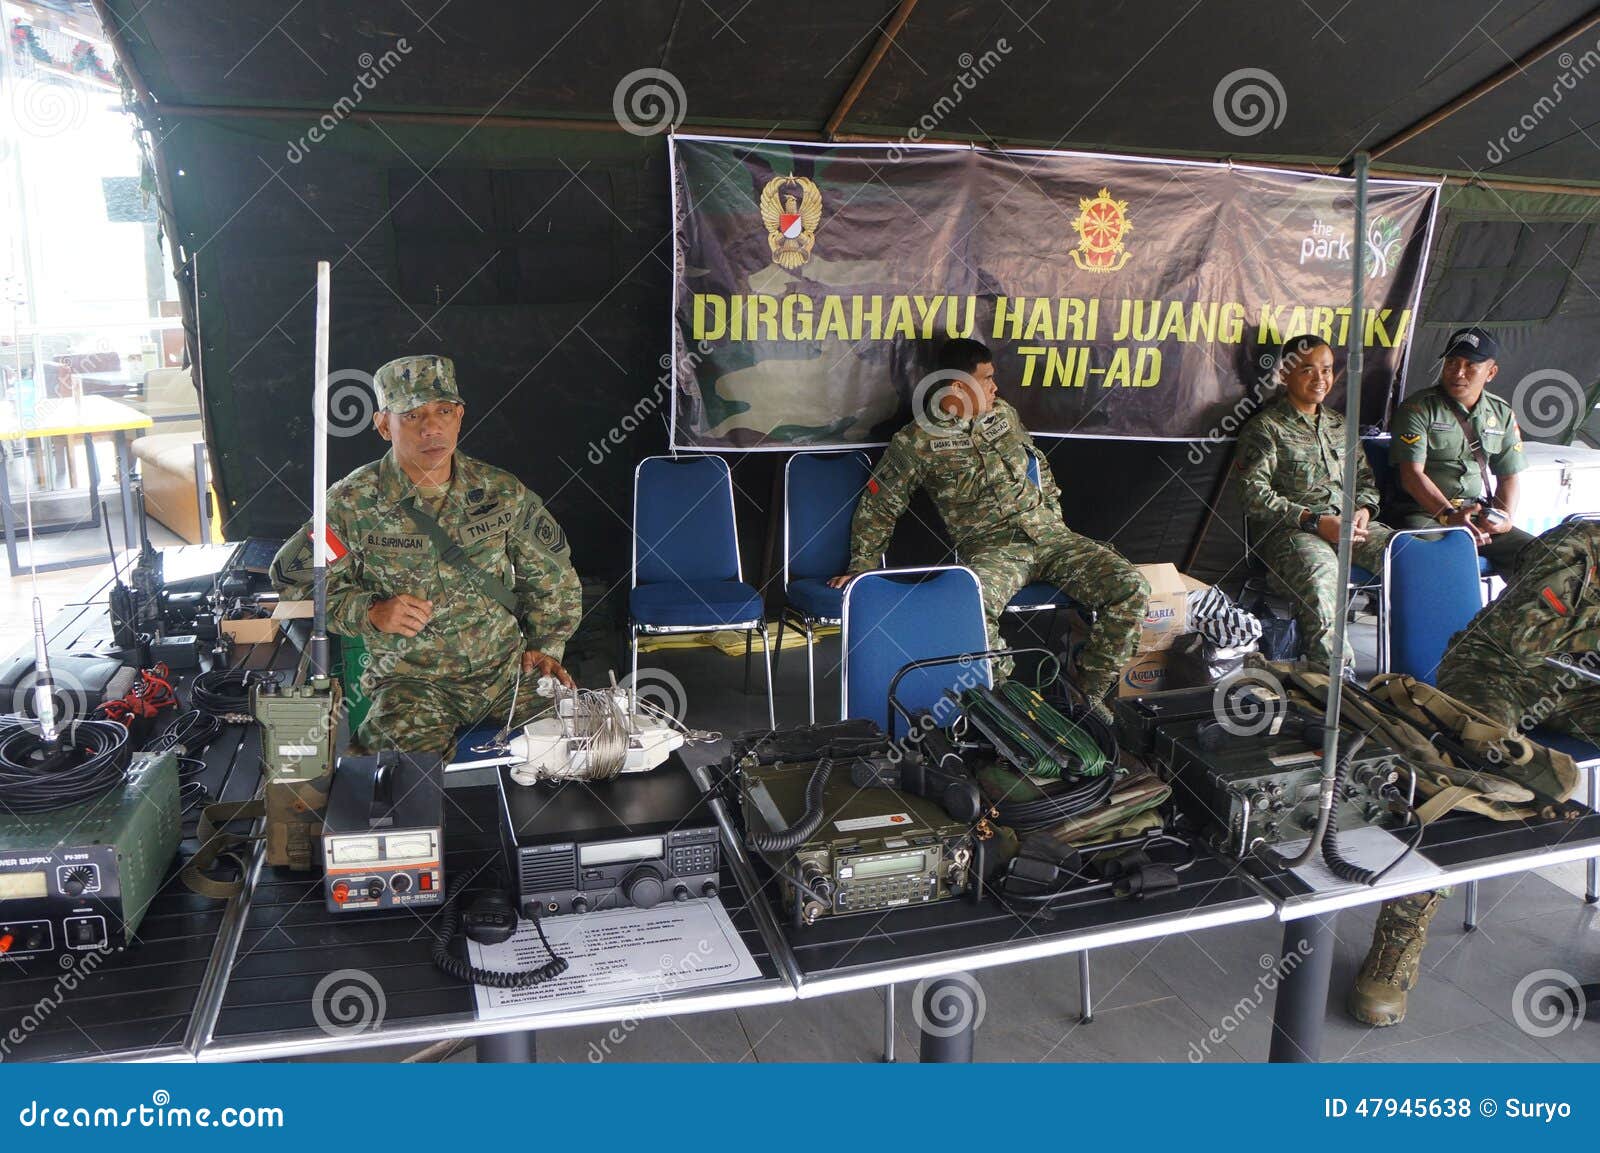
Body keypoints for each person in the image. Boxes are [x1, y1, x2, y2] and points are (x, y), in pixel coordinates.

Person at [1347, 518, 1600, 1027]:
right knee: (1466, 773)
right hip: (1498, 669)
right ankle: (1397, 942)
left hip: (1581, 684)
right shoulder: (1577, 548)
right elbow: (1522, 641)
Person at [270, 354, 582, 760]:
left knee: (578, 753)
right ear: (384, 425)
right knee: (399, 782)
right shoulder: (351, 504)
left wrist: (547, 646)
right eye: (412, 415)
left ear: (459, 416)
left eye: (444, 411)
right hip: (412, 684)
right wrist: (370, 611)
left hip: (508, 674)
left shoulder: (501, 492)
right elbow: (293, 580)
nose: (431, 427)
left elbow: (553, 578)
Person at [829, 338, 1149, 707]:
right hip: (995, 550)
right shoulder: (918, 441)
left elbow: (1037, 463)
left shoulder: (1004, 415)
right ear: (958, 386)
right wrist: (862, 567)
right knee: (972, 608)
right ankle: (1009, 707)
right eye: (987, 379)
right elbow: (880, 504)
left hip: (1050, 538)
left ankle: (1087, 699)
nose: (995, 387)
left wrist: (1051, 514)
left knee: (1130, 586)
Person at [1235, 334, 1394, 670]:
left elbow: (1365, 482)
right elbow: (1253, 495)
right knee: (1322, 578)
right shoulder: (1266, 428)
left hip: (1351, 527)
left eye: (1327, 369)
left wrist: (1364, 511)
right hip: (1293, 533)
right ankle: (1337, 680)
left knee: (1410, 556)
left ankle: (1418, 670)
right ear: (1284, 374)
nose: (1320, 378)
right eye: (1307, 370)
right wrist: (1314, 521)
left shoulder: (1341, 426)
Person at [1388, 326, 1532, 575]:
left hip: (1477, 514)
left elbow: (1509, 476)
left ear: (1490, 372)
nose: (1458, 372)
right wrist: (1449, 515)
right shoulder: (1419, 408)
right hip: (1426, 514)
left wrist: (1503, 520)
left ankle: (1517, 603)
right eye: (1451, 363)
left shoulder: (1501, 413)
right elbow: (1411, 476)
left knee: (1539, 556)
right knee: (1442, 557)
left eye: (1470, 365)